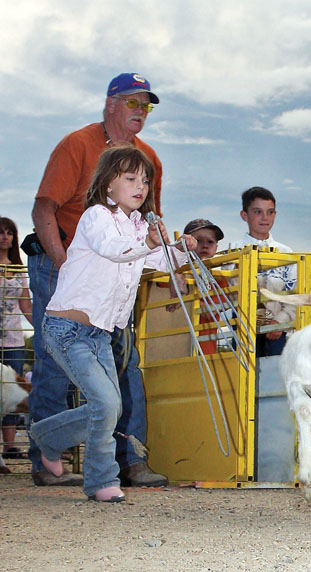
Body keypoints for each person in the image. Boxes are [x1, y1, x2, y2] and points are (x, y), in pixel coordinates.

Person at [29, 146, 196, 502]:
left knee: (110, 407)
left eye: (145, 181)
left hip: (99, 335)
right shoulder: (95, 217)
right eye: (131, 178)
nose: (141, 186)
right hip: (66, 329)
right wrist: (147, 240)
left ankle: (47, 438)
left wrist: (183, 249)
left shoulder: (139, 227)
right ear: (108, 185)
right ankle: (102, 480)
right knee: (105, 404)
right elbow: (114, 248)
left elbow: (158, 260)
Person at [27, 72, 167, 487]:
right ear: (110, 103)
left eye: (146, 105)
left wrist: (175, 252)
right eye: (132, 102)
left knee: (125, 367)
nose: (140, 111)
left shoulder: (149, 158)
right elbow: (43, 209)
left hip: (116, 274)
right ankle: (46, 459)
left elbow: (148, 227)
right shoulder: (77, 145)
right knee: (56, 365)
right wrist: (64, 262)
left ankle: (129, 458)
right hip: (64, 259)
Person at [229, 187, 297, 357]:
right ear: (244, 215)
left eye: (270, 212)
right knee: (243, 379)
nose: (265, 217)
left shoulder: (286, 253)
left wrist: (278, 323)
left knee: (273, 380)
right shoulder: (234, 250)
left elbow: (293, 293)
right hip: (244, 329)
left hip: (276, 333)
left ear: (275, 214)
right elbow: (231, 290)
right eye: (257, 211)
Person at [167, 218, 226, 354]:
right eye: (198, 241)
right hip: (170, 352)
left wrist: (188, 291)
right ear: (185, 243)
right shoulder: (171, 268)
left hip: (204, 353)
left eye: (210, 242)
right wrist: (175, 276)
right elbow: (158, 287)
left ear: (216, 247)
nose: (205, 246)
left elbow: (211, 311)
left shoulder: (221, 278)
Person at [0, 217, 33, 458]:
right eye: (1, 232)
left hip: (13, 339)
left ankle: (9, 445)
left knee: (12, 391)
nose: (5, 237)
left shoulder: (19, 268)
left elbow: (25, 304)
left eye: (9, 233)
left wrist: (41, 329)